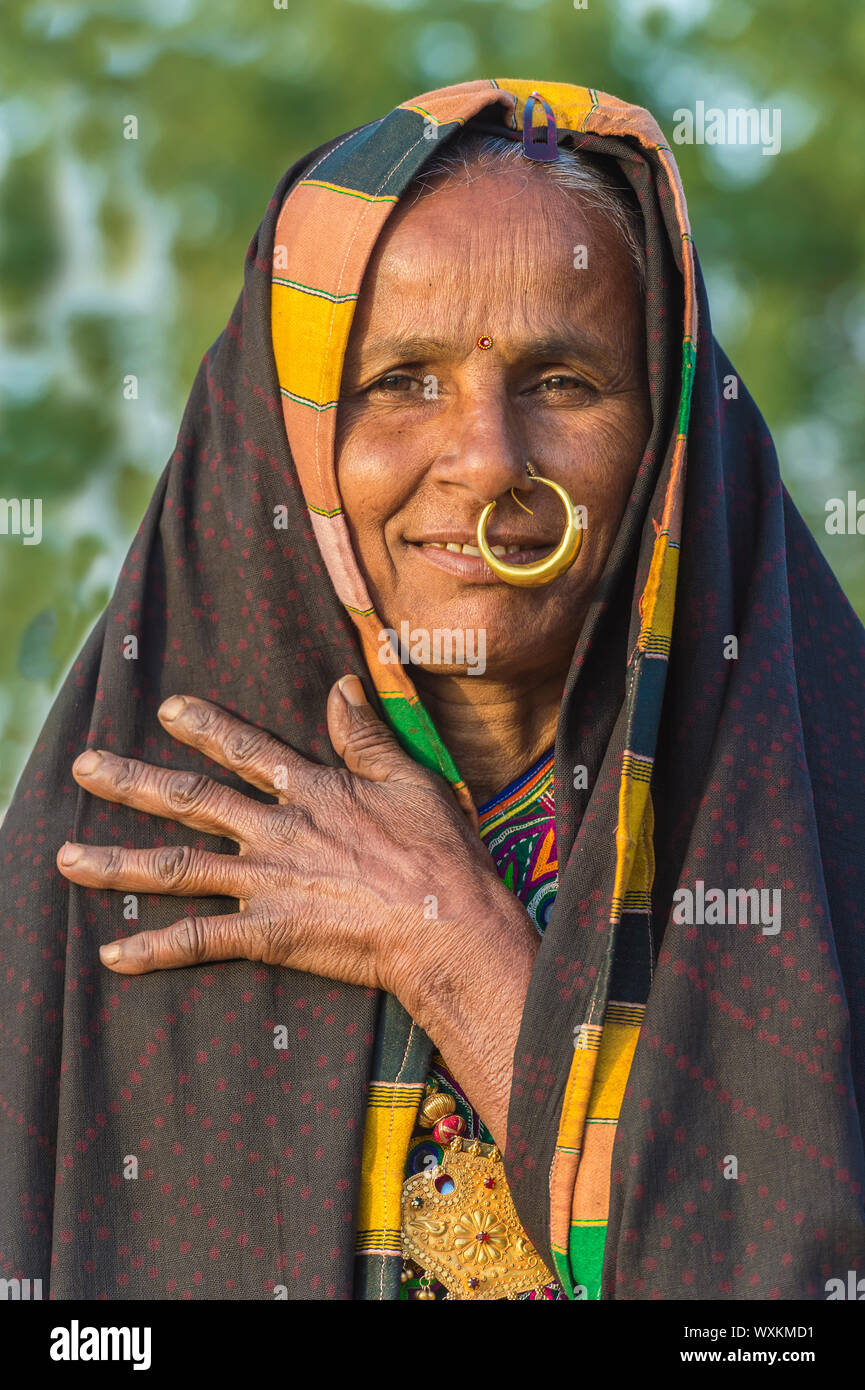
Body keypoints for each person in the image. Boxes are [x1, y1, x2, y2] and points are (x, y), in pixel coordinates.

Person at [2, 78, 863, 1302]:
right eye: (402, 380)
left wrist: (454, 949)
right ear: (290, 442)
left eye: (563, 383)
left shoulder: (817, 853)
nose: (487, 460)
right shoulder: (109, 882)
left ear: (669, 435)